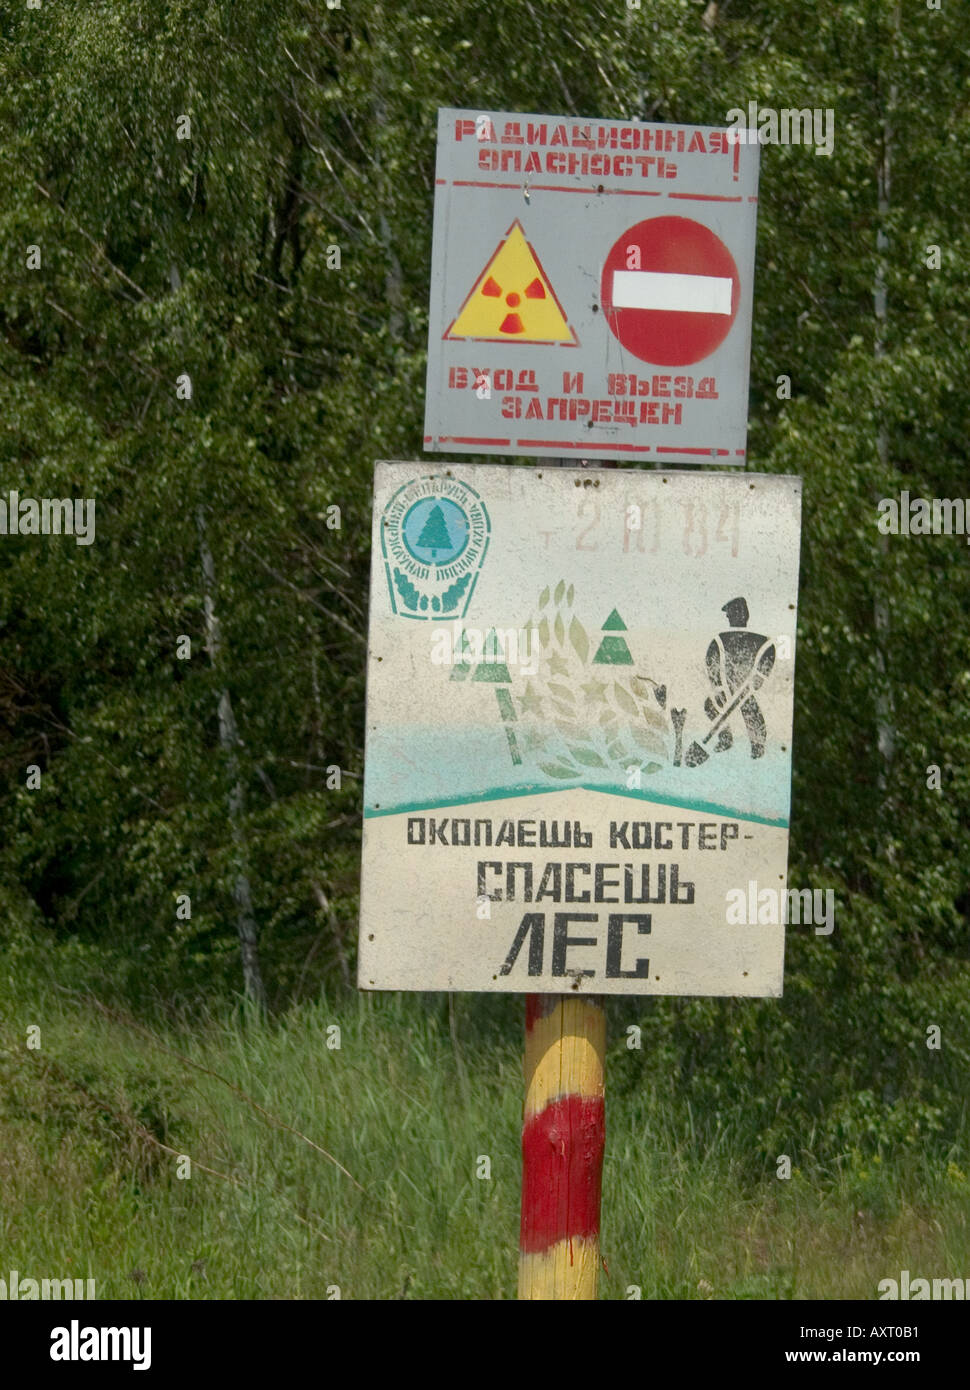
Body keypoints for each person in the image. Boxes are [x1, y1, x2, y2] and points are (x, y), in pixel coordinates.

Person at [703, 597, 775, 758]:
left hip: (746, 689)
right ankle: (725, 738)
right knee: (710, 704)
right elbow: (711, 661)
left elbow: (769, 654)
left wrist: (760, 677)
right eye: (729, 613)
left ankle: (758, 747)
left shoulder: (762, 641)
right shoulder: (720, 639)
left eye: (732, 612)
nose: (729, 616)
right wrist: (719, 687)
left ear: (743, 613)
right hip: (726, 688)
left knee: (750, 709)